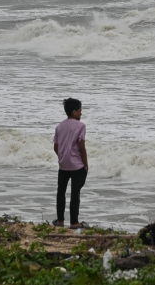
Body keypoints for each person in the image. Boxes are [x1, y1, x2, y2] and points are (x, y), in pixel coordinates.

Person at [53, 97, 89, 228]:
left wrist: (63, 157)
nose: (81, 113)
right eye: (80, 110)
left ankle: (60, 220)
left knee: (61, 192)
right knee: (75, 193)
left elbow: (56, 147)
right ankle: (74, 222)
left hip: (63, 165)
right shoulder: (81, 126)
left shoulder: (59, 126)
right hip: (77, 165)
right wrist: (85, 163)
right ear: (74, 112)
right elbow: (81, 146)